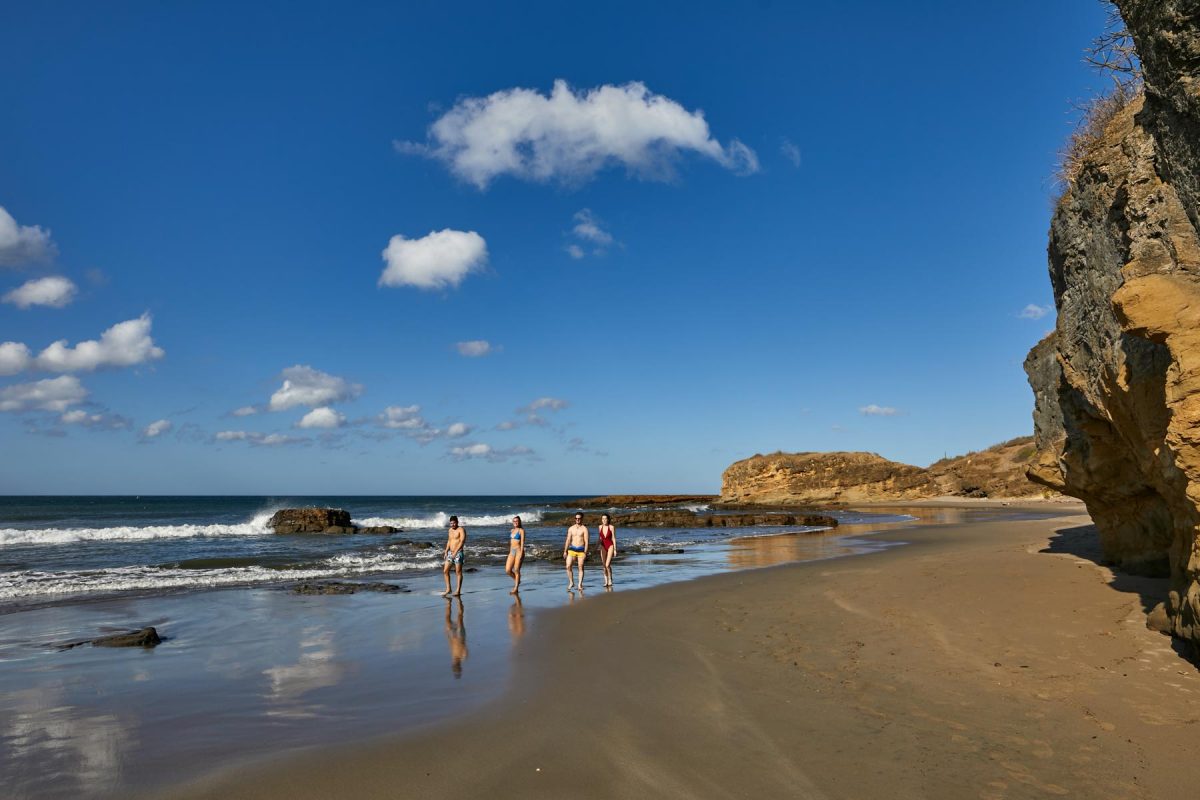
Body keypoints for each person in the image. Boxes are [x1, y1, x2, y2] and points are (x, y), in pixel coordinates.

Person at [563, 512, 588, 591]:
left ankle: (580, 584)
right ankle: (571, 582)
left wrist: (585, 552)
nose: (577, 520)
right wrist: (565, 551)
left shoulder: (584, 529)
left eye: (579, 518)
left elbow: (586, 542)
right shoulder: (571, 528)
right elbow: (568, 540)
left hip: (581, 549)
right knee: (568, 566)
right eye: (576, 518)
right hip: (572, 549)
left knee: (580, 567)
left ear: (582, 519)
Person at [442, 515, 466, 597]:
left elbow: (462, 541)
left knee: (458, 572)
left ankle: (458, 590)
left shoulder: (461, 530)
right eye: (451, 523)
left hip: (458, 553)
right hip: (450, 553)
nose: (452, 525)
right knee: (445, 571)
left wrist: (455, 552)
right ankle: (448, 589)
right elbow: (449, 541)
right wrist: (446, 551)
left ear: (457, 522)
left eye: (454, 523)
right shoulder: (450, 530)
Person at [444, 595, 467, 678]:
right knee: (459, 617)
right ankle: (457, 601)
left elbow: (451, 646)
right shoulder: (463, 657)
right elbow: (464, 649)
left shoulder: (454, 657)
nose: (454, 663)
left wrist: (447, 635)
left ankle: (449, 602)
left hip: (454, 636)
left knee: (448, 618)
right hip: (460, 636)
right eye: (456, 666)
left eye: (455, 665)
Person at [505, 515, 525, 594]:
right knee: (508, 570)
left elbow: (522, 542)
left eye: (517, 521)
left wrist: (521, 553)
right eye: (514, 521)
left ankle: (516, 588)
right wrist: (510, 552)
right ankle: (517, 580)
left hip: (519, 551)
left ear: (519, 522)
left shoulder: (521, 530)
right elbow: (511, 542)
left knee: (516, 569)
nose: (515, 522)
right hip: (512, 551)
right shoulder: (512, 530)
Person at [597, 513, 617, 587]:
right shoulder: (600, 527)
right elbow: (600, 538)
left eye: (605, 519)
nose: (604, 520)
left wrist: (615, 549)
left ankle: (610, 579)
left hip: (610, 545)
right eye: (603, 519)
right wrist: (597, 546)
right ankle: (606, 581)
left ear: (608, 519)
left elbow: (613, 538)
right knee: (604, 565)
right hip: (603, 546)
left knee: (607, 564)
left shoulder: (611, 527)